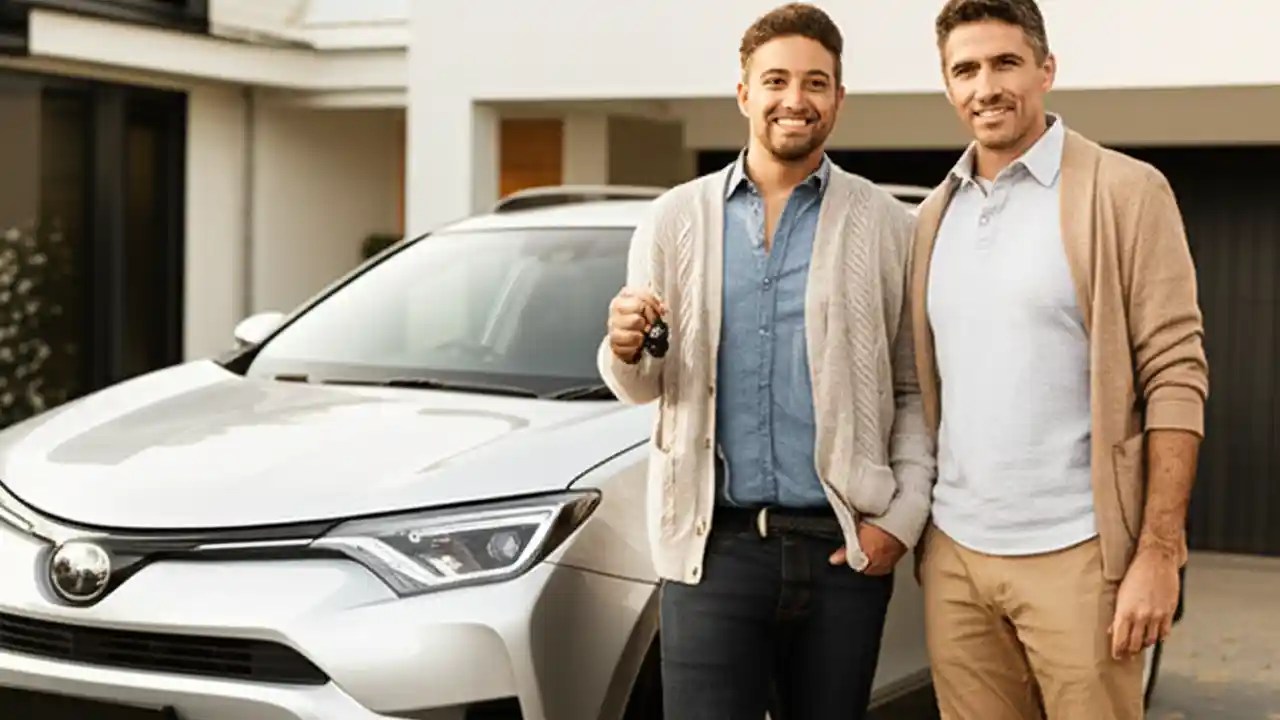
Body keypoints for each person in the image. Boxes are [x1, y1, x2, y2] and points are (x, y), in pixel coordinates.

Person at [598, 3, 936, 718]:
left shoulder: (888, 226)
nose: (796, 99)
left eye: (816, 83)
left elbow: (913, 391)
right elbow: (643, 385)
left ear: (839, 99)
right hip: (712, 551)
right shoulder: (674, 219)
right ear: (744, 92)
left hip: (843, 550)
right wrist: (623, 346)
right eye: (775, 79)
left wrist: (898, 523)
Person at [908, 1, 1210, 718]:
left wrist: (1159, 552)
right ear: (949, 86)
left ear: (1046, 70)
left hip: (1079, 553)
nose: (987, 86)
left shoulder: (1126, 192)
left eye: (1006, 62)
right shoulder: (932, 218)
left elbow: (1176, 374)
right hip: (955, 555)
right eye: (967, 69)